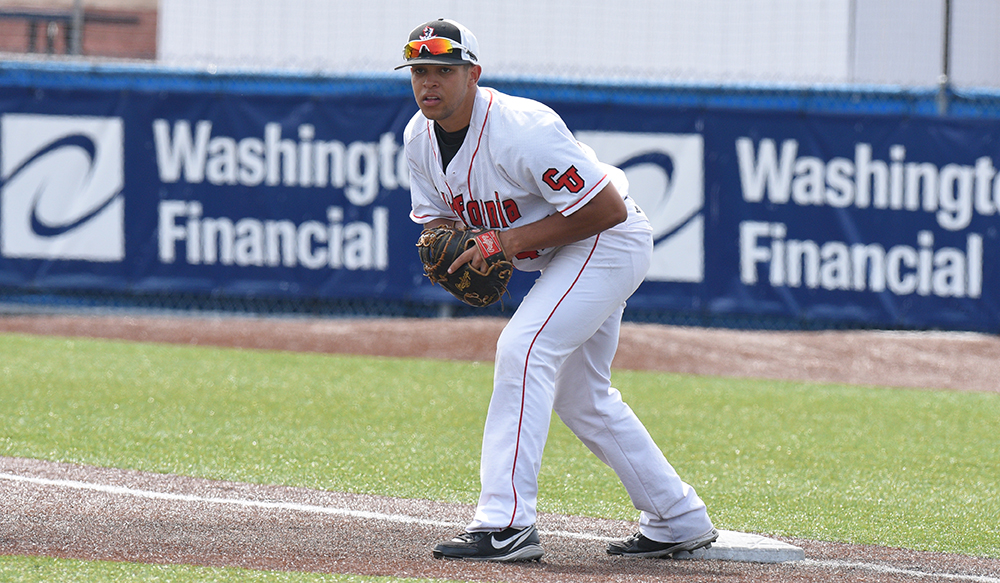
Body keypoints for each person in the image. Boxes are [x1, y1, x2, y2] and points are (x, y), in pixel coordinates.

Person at [397, 18, 718, 562]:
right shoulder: (417, 139)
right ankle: (676, 516)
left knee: (523, 349)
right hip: (564, 253)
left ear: (473, 74)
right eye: (419, 71)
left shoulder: (521, 127)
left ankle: (506, 522)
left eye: (444, 71)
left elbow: (606, 209)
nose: (429, 83)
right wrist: (447, 248)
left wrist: (503, 242)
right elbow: (437, 222)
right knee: (581, 396)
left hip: (609, 239)